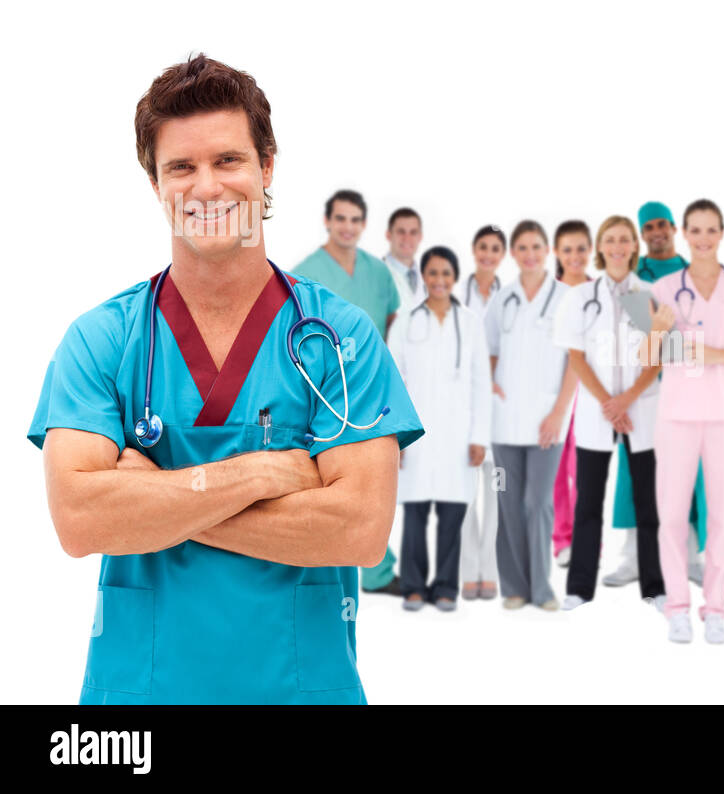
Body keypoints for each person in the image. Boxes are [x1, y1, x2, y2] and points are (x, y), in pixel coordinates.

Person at [28, 54, 422, 704]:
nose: (206, 187)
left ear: (267, 166)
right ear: (154, 181)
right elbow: (80, 521)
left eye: (228, 160)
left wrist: (155, 501)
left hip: (302, 689)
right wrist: (263, 475)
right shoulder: (102, 340)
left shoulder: (340, 339)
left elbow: (358, 529)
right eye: (181, 166)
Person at [647, 198, 724, 644]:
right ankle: (677, 607)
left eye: (710, 231)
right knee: (673, 519)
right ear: (684, 233)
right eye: (694, 231)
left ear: (721, 235)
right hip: (677, 416)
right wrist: (659, 332)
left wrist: (716, 355)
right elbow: (646, 358)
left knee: (721, 519)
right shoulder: (662, 289)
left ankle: (714, 609)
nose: (702, 239)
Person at [293, 188, 405, 595]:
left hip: (370, 386)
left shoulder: (377, 272)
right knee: (330, 482)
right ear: (327, 221)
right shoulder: (306, 272)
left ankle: (377, 572)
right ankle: (323, 571)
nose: (348, 227)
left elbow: (391, 320)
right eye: (340, 219)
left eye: (356, 220)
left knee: (376, 480)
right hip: (322, 390)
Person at [554, 216, 665, 610]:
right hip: (596, 413)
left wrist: (628, 398)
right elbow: (576, 357)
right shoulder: (581, 296)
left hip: (641, 410)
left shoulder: (648, 295)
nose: (617, 247)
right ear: (601, 247)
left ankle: (655, 587)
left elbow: (656, 357)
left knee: (649, 503)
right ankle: (578, 588)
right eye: (610, 240)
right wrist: (609, 402)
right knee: (588, 504)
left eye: (624, 240)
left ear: (634, 246)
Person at [604, 201, 706, 588]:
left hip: (685, 385)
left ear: (674, 228)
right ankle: (633, 557)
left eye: (663, 224)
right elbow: (636, 337)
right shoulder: (633, 277)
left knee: (687, 471)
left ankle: (691, 557)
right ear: (642, 235)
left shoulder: (693, 271)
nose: (657, 232)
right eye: (649, 227)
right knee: (634, 473)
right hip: (641, 389)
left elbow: (693, 333)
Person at [483, 220, 579, 611]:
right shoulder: (502, 299)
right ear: (513, 253)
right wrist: (491, 382)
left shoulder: (566, 298)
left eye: (537, 246)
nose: (530, 254)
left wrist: (559, 412)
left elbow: (576, 359)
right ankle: (515, 587)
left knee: (538, 503)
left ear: (548, 250)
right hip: (505, 422)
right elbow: (488, 349)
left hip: (547, 421)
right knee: (507, 501)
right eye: (522, 247)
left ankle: (542, 588)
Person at [389, 246, 491, 613]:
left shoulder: (470, 323)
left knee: (452, 512)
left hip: (458, 433)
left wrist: (479, 435)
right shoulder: (406, 321)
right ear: (425, 277)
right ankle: (414, 587)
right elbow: (393, 381)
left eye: (446, 273)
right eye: (432, 273)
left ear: (455, 276)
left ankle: (446, 587)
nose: (439, 280)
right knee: (414, 512)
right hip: (416, 433)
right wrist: (396, 435)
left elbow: (481, 381)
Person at [460, 224, 506, 600]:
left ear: (502, 255)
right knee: (464, 495)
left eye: (495, 249)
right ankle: (467, 570)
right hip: (463, 410)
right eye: (483, 247)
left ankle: (488, 570)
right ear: (474, 250)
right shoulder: (457, 295)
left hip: (503, 411)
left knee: (496, 492)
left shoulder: (510, 298)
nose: (488, 254)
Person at [551, 220, 592, 569]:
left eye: (581, 248)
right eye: (567, 249)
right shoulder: (548, 294)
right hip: (551, 394)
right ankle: (562, 539)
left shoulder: (604, 290)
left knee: (585, 471)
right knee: (555, 469)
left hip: (592, 393)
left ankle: (586, 538)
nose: (574, 256)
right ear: (556, 253)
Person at [383, 207, 426, 309]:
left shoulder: (427, 277)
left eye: (413, 232)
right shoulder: (376, 276)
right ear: (388, 235)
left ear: (420, 237)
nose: (407, 238)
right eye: (401, 232)